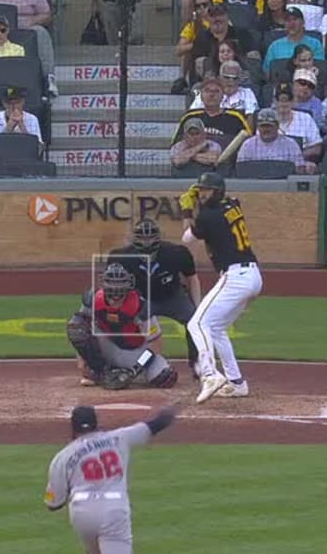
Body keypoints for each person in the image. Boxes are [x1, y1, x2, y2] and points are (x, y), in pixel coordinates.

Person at [44, 402, 178, 554]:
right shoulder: (119, 438)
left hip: (81, 511)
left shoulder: (63, 456)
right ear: (97, 423)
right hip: (114, 509)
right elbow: (154, 425)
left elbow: (53, 503)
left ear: (73, 428)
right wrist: (170, 412)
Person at [180, 171, 261, 402]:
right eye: (201, 190)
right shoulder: (233, 204)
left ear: (217, 192)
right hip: (252, 275)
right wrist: (202, 197)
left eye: (206, 191)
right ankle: (237, 383)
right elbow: (221, 205)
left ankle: (209, 374)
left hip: (236, 276)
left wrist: (187, 209)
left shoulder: (208, 217)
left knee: (197, 323)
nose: (202, 194)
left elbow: (187, 238)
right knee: (215, 329)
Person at [64, 263, 181, 390]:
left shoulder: (141, 307)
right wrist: (82, 360)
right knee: (77, 326)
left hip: (136, 352)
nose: (116, 290)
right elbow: (79, 328)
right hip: (107, 345)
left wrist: (135, 369)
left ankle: (127, 373)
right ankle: (101, 371)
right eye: (112, 284)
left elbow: (156, 343)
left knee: (165, 377)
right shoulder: (93, 299)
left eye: (119, 284)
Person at [107, 216, 202, 371]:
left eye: (150, 238)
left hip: (172, 296)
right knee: (122, 323)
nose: (147, 242)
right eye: (143, 238)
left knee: (195, 320)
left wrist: (198, 306)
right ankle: (128, 361)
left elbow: (192, 279)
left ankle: (198, 361)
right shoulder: (121, 257)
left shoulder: (176, 253)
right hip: (141, 299)